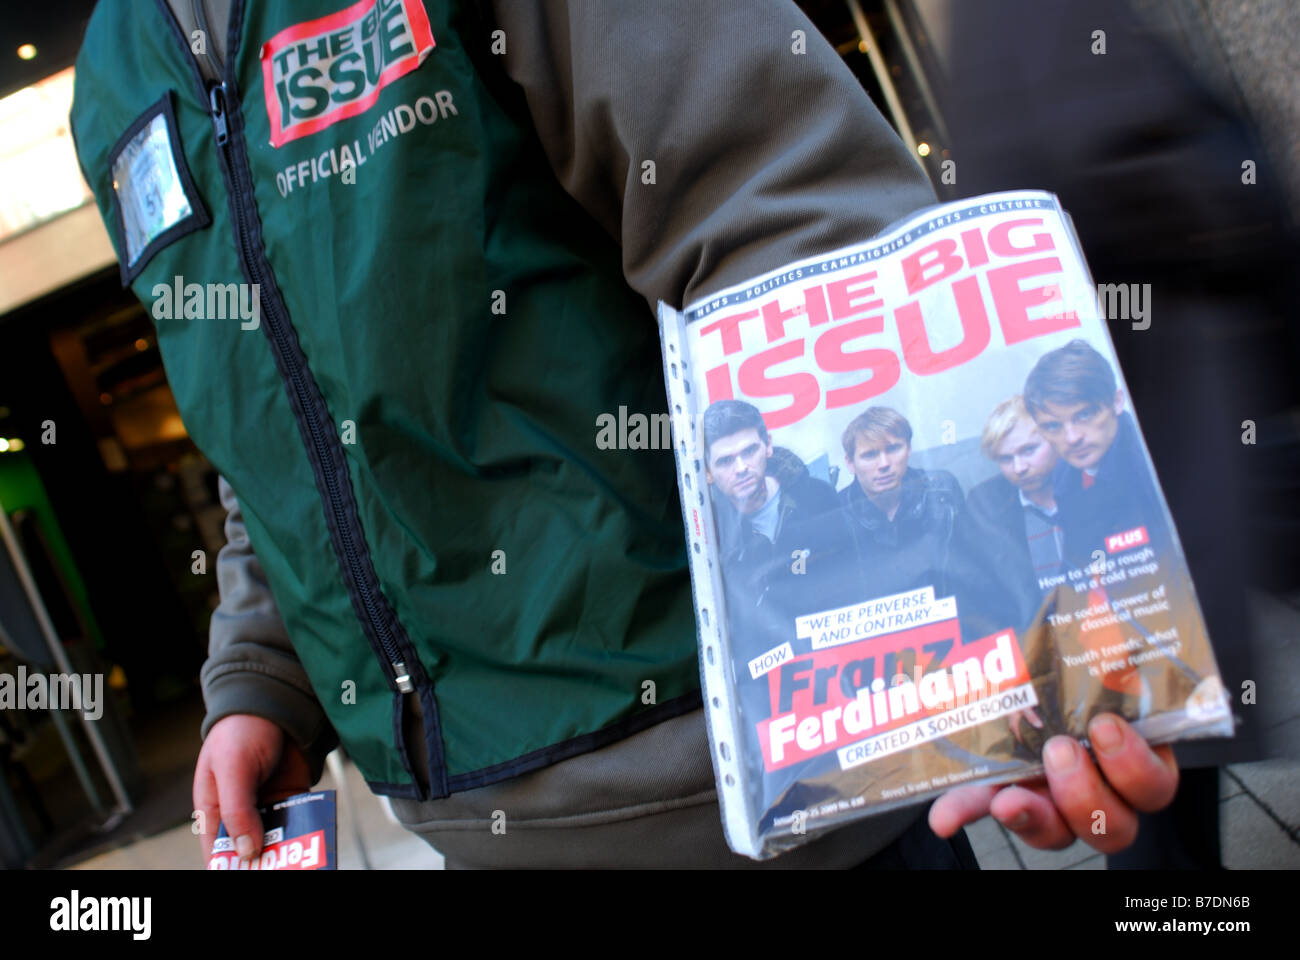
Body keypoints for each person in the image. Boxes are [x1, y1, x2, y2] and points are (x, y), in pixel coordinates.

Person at [70, 0, 1179, 868]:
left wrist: (963, 670)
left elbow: (781, 204)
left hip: (749, 809)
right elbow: (276, 425)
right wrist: (262, 674)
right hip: (475, 834)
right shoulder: (115, 73)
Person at [1023, 340, 1168, 568]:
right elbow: (1079, 561)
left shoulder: (1153, 461)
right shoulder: (1064, 474)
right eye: (1053, 426)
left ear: (1117, 402)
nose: (1072, 438)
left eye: (1085, 415)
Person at [962, 395, 1065, 627]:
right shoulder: (987, 508)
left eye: (1029, 450)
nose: (1019, 468)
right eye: (1006, 459)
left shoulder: (1091, 486)